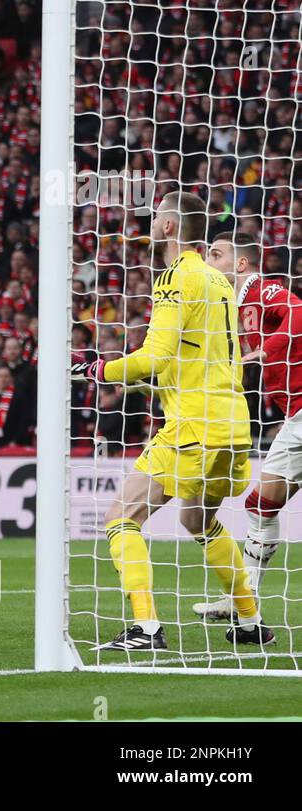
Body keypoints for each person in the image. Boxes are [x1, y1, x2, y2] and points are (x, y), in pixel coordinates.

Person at [71, 193, 271, 650]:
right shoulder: (221, 282)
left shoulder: (175, 276)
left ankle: (146, 629)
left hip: (194, 425)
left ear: (166, 228)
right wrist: (148, 385)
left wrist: (99, 369)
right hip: (234, 423)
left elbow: (154, 355)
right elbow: (202, 362)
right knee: (198, 520)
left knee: (122, 517)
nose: (151, 220)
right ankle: (250, 621)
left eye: (157, 214)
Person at [196, 232, 302, 620]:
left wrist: (263, 350)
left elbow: (300, 314)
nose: (209, 261)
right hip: (296, 417)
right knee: (260, 505)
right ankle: (246, 599)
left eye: (217, 254)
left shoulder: (263, 289)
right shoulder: (234, 305)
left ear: (241, 264)